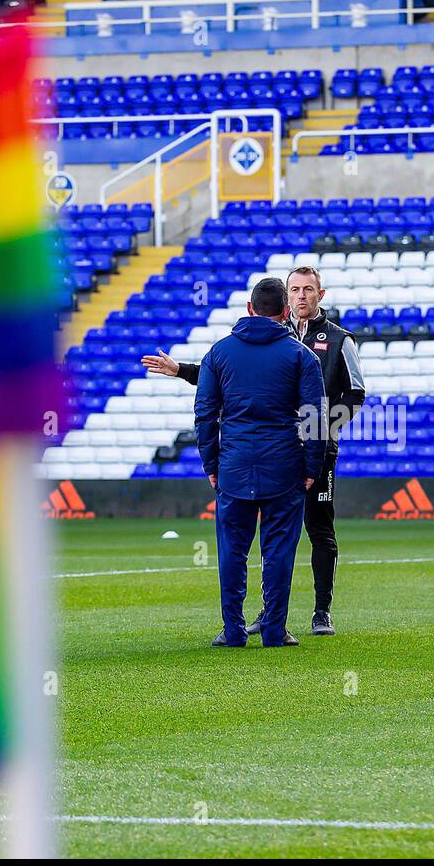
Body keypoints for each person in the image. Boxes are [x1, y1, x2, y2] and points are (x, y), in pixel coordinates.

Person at [144, 265, 365, 636]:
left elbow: (355, 395)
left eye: (308, 289)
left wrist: (318, 431)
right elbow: (231, 374)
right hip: (282, 454)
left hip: (315, 449)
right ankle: (271, 615)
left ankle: (321, 610)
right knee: (277, 536)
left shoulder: (340, 340)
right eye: (294, 289)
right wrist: (181, 369)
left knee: (318, 529)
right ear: (286, 300)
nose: (301, 296)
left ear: (320, 295)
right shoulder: (281, 338)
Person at [195, 277, 327, 648]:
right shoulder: (302, 356)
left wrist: (211, 464)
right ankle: (273, 630)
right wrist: (311, 469)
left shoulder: (218, 354)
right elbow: (315, 417)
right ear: (286, 312)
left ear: (250, 309)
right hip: (284, 466)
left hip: (234, 466)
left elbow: (205, 415)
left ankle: (233, 630)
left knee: (232, 551)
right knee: (279, 552)